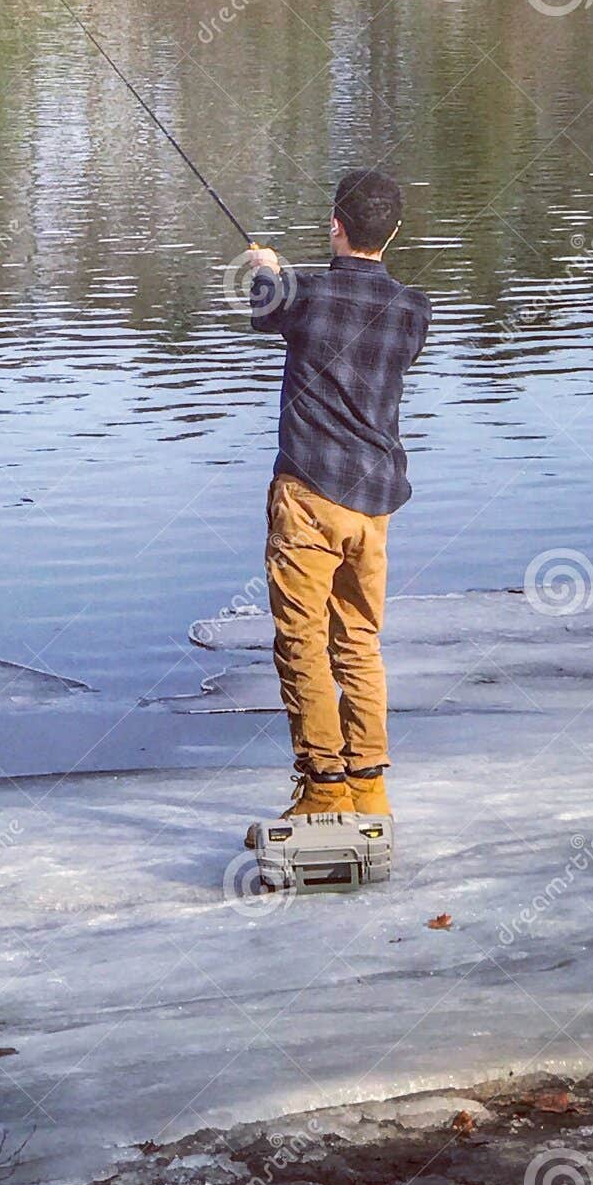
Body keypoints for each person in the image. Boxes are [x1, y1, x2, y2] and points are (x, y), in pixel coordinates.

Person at [247, 168, 429, 820]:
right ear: (394, 232)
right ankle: (370, 787)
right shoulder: (413, 309)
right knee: (357, 641)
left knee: (301, 643)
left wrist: (265, 267)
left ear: (336, 225)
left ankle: (323, 788)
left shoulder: (306, 296)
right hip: (374, 506)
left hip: (309, 498)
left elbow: (265, 308)